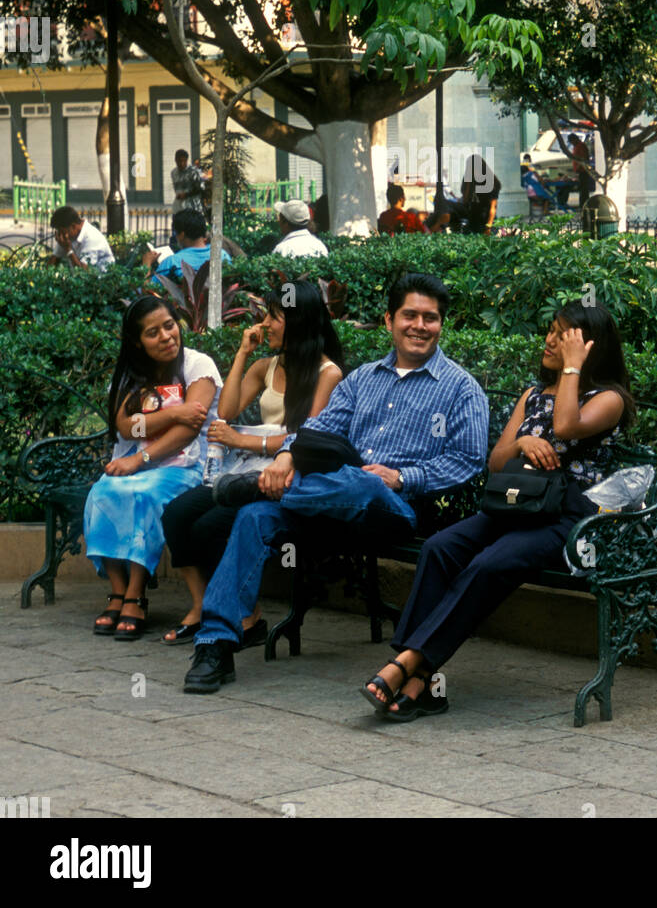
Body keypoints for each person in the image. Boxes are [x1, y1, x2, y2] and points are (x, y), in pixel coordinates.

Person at [182, 272, 489, 693]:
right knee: (256, 516)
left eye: (431, 318)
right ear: (388, 320)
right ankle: (215, 643)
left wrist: (402, 476)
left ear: (441, 324)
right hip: (328, 499)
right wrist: (289, 453)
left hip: (397, 507)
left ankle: (262, 485)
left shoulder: (461, 389)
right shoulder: (362, 379)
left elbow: (469, 460)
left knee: (362, 485)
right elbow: (318, 429)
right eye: (410, 315)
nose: (420, 325)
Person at [361, 299, 633, 721]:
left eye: (562, 335)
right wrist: (523, 443)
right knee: (439, 548)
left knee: (488, 565)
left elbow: (565, 427)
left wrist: (572, 369)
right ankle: (422, 680)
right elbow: (496, 461)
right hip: (514, 507)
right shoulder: (532, 394)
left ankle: (407, 668)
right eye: (550, 330)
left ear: (586, 346)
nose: (549, 340)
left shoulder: (610, 398)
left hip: (569, 520)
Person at [160, 284, 344, 645]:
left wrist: (242, 440)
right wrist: (243, 353)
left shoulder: (328, 374)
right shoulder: (266, 366)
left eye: (275, 317)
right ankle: (203, 606)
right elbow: (227, 411)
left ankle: (244, 615)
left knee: (210, 526)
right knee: (176, 515)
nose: (267, 324)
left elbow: (308, 439)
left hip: (289, 475)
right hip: (248, 470)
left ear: (299, 321)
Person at [86, 296, 223, 640]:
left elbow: (188, 430)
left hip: (188, 465)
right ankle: (117, 592)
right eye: (152, 332)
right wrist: (173, 412)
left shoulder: (197, 365)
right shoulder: (133, 374)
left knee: (144, 495)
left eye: (169, 325)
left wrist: (141, 456)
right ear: (137, 342)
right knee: (102, 493)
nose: (165, 336)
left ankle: (136, 594)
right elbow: (124, 427)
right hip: (136, 464)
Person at [143, 209, 231, 283]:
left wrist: (146, 263)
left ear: (181, 235)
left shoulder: (172, 262)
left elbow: (147, 291)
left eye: (175, 233)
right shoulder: (222, 255)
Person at [48, 205, 115, 271]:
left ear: (73, 226)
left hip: (101, 279)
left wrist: (68, 249)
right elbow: (52, 264)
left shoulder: (91, 237)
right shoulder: (68, 236)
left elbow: (84, 273)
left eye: (61, 231)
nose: (60, 234)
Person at [460, 154, 500, 233]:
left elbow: (493, 207)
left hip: (487, 220)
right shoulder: (468, 179)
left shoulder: (489, 181)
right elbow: (465, 199)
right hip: (473, 219)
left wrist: (488, 227)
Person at [170, 149, 205, 213]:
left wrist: (186, 195)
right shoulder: (173, 173)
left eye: (184, 161)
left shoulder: (193, 172)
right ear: (175, 160)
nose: (182, 163)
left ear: (187, 160)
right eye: (179, 161)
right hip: (179, 207)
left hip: (193, 207)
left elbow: (201, 189)